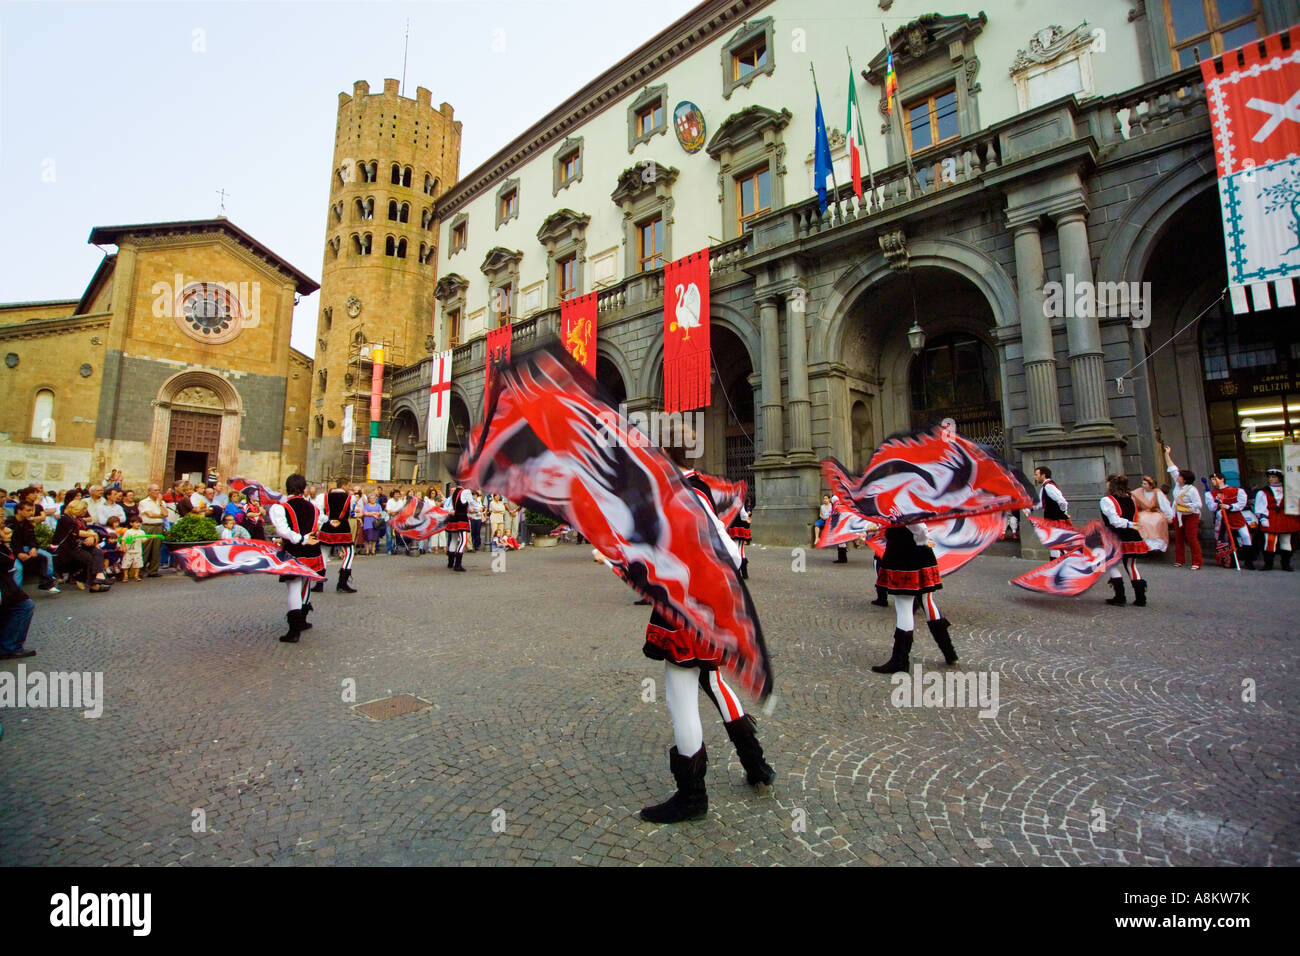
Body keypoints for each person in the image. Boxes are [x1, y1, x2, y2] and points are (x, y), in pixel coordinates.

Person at [639, 467, 775, 824]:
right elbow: (732, 554)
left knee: (679, 697)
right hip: (702, 607)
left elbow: (728, 552)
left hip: (684, 610)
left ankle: (692, 796)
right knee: (711, 680)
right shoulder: (691, 493)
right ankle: (755, 762)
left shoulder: (679, 496)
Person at [870, 520, 954, 673]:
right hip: (918, 554)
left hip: (905, 555)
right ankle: (948, 650)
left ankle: (900, 660)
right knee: (926, 600)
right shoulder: (906, 499)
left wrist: (921, 539)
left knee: (904, 606)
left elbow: (917, 527)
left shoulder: (900, 502)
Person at [268, 474, 322, 643]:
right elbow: (320, 523)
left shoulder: (281, 508)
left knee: (294, 587)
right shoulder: (314, 507)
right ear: (304, 489)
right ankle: (303, 620)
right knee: (305, 582)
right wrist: (308, 537)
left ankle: (294, 630)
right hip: (312, 550)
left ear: (286, 488)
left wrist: (300, 538)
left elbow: (283, 531)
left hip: (294, 550)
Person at [1100, 474, 1150, 606]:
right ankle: (1141, 598)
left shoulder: (1107, 500)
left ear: (1111, 484)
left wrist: (1128, 524)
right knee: (1131, 565)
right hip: (1132, 534)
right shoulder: (1131, 498)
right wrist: (1132, 525)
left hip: (1116, 535)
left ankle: (1120, 596)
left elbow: (1114, 521)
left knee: (1111, 564)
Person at [53, 499, 111, 592]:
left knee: (97, 552)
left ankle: (99, 576)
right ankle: (93, 584)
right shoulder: (65, 518)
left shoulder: (80, 520)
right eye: (83, 509)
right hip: (67, 548)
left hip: (79, 545)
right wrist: (93, 535)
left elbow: (88, 529)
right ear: (76, 508)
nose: (85, 511)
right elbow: (76, 532)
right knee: (89, 558)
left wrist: (92, 537)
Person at [1, 522, 37, 659]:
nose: (3, 520)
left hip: (6, 582)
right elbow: (7, 560)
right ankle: (10, 646)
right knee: (24, 606)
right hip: (5, 583)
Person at [5, 501, 59, 593]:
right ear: (19, 511)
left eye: (32, 510)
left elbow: (32, 538)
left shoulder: (28, 523)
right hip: (10, 551)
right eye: (28, 510)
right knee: (18, 568)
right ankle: (15, 593)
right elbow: (12, 542)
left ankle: (46, 582)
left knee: (47, 556)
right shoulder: (10, 523)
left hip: (24, 548)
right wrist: (19, 553)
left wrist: (33, 548)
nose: (31, 513)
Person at [1163, 446, 1203, 570]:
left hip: (1191, 515)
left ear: (1184, 479)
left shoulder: (1192, 490)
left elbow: (1198, 504)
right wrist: (1167, 453)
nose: (1177, 476)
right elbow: (1172, 467)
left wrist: (1184, 504)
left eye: (1180, 476)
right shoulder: (1177, 484)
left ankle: (1197, 561)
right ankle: (1179, 559)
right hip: (1178, 514)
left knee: (1191, 538)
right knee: (1179, 537)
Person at [1207, 472, 1253, 569]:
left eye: (1214, 479)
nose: (1213, 482)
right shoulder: (1211, 494)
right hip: (1223, 518)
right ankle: (1230, 561)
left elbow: (1241, 504)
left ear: (1222, 479)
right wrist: (1217, 502)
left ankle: (1249, 561)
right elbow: (1212, 507)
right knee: (1227, 539)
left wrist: (1229, 506)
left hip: (1236, 516)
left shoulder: (1236, 490)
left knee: (1246, 536)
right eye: (1211, 480)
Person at [318, 480, 358, 592]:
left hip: (327, 526)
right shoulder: (350, 498)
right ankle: (342, 582)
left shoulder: (324, 497)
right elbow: (350, 512)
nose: (349, 488)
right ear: (344, 486)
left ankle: (319, 583)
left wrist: (329, 520)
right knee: (349, 553)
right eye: (348, 486)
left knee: (323, 553)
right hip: (343, 527)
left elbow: (319, 512)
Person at [1255, 467, 1295, 572]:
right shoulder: (1263, 491)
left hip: (1285, 517)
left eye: (1274, 477)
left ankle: (1286, 564)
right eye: (1270, 477)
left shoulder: (1288, 490)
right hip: (1270, 517)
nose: (1271, 479)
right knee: (1270, 541)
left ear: (1279, 478)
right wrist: (1263, 517)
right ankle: (1268, 564)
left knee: (1286, 541)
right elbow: (1259, 506)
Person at [138, 483, 166, 577]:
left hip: (158, 526)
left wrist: (161, 504)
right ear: (149, 491)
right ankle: (140, 570)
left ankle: (153, 570)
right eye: (155, 490)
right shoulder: (144, 502)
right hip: (148, 526)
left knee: (156, 549)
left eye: (158, 490)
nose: (157, 492)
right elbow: (150, 515)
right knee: (146, 548)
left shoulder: (161, 502)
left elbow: (166, 514)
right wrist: (160, 515)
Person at [445, 482, 474, 572]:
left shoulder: (455, 493)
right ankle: (457, 564)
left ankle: (450, 563)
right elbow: (472, 504)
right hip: (462, 518)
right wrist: (477, 509)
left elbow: (452, 506)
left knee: (453, 540)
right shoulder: (466, 491)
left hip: (454, 518)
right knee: (463, 540)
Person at [120, 516, 148, 581]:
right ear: (131, 523)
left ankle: (136, 575)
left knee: (138, 564)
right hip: (128, 551)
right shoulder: (128, 532)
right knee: (126, 564)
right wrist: (123, 547)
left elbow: (143, 540)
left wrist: (148, 538)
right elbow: (123, 539)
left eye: (139, 523)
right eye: (136, 523)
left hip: (138, 551)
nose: (138, 524)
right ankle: (125, 576)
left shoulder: (141, 532)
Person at [728, 502, 751, 579]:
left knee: (734, 547)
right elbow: (743, 516)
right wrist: (748, 515)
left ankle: (736, 572)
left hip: (731, 526)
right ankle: (744, 573)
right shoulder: (738, 500)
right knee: (740, 549)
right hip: (740, 526)